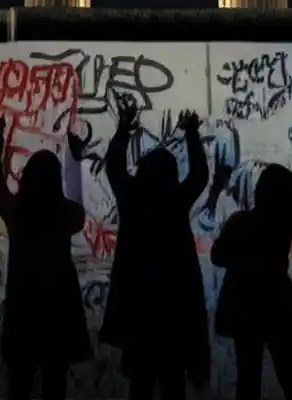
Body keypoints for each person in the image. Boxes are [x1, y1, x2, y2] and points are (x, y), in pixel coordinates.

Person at [99, 97, 210, 400]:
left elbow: (114, 167)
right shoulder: (176, 200)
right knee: (173, 383)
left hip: (138, 308)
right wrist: (192, 134)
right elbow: (199, 176)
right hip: (173, 310)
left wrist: (123, 129)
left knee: (141, 384)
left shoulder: (132, 198)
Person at [0, 117, 91, 400]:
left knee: (19, 382)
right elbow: (77, 201)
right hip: (58, 307)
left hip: (24, 306)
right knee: (55, 382)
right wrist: (74, 159)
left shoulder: (18, 212)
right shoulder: (66, 214)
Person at [212, 163, 292, 400]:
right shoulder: (284, 225)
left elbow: (217, 255)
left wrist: (241, 260)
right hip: (277, 303)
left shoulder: (240, 222)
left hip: (244, 306)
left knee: (248, 380)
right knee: (290, 377)